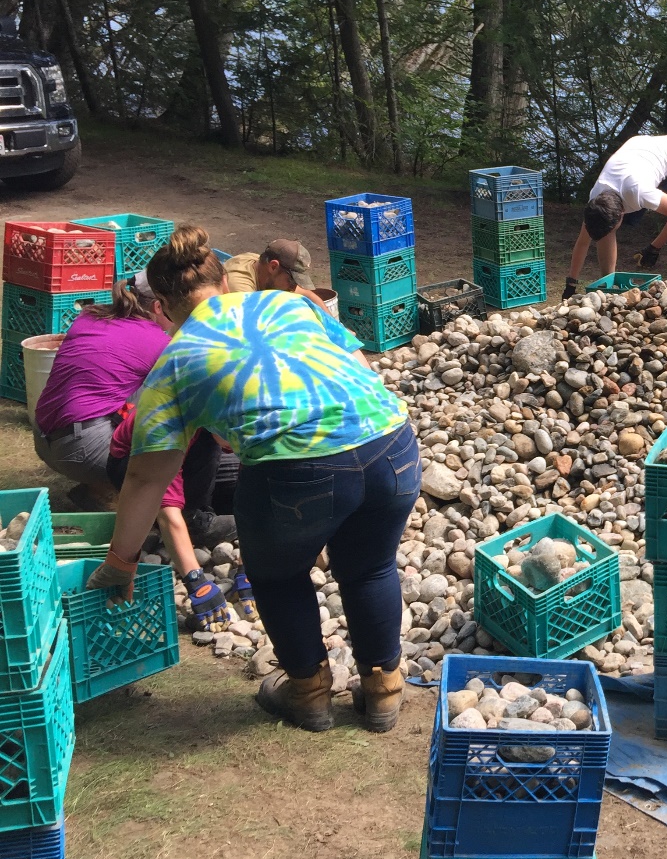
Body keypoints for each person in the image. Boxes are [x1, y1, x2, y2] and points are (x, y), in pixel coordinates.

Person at [85, 226, 419, 735]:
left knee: (279, 575)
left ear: (164, 307)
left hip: (297, 471)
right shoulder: (293, 304)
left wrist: (120, 560)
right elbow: (362, 371)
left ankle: (308, 693)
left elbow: (146, 477)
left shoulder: (175, 362)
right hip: (392, 444)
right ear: (223, 281)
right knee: (371, 566)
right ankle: (383, 691)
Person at [32, 275, 235, 543]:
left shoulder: (92, 317)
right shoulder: (155, 341)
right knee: (196, 415)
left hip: (47, 440)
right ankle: (192, 518)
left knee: (150, 391)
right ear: (159, 307)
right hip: (83, 447)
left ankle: (99, 490)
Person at [107, 403, 254, 632]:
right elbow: (168, 514)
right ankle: (188, 521)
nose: (237, 443)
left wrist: (252, 564)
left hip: (198, 435)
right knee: (171, 511)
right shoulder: (168, 423)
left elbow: (252, 490)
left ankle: (194, 511)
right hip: (132, 460)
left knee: (231, 476)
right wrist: (197, 582)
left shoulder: (235, 413)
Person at [563, 135, 667, 295]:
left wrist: (654, 248)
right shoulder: (597, 200)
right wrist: (570, 285)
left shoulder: (638, 191)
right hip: (639, 157)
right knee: (604, 231)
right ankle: (611, 290)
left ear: (621, 214)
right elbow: (583, 242)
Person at [222, 239, 332, 314]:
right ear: (273, 267)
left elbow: (306, 294)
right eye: (292, 281)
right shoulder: (240, 289)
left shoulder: (262, 266)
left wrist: (337, 327)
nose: (293, 287)